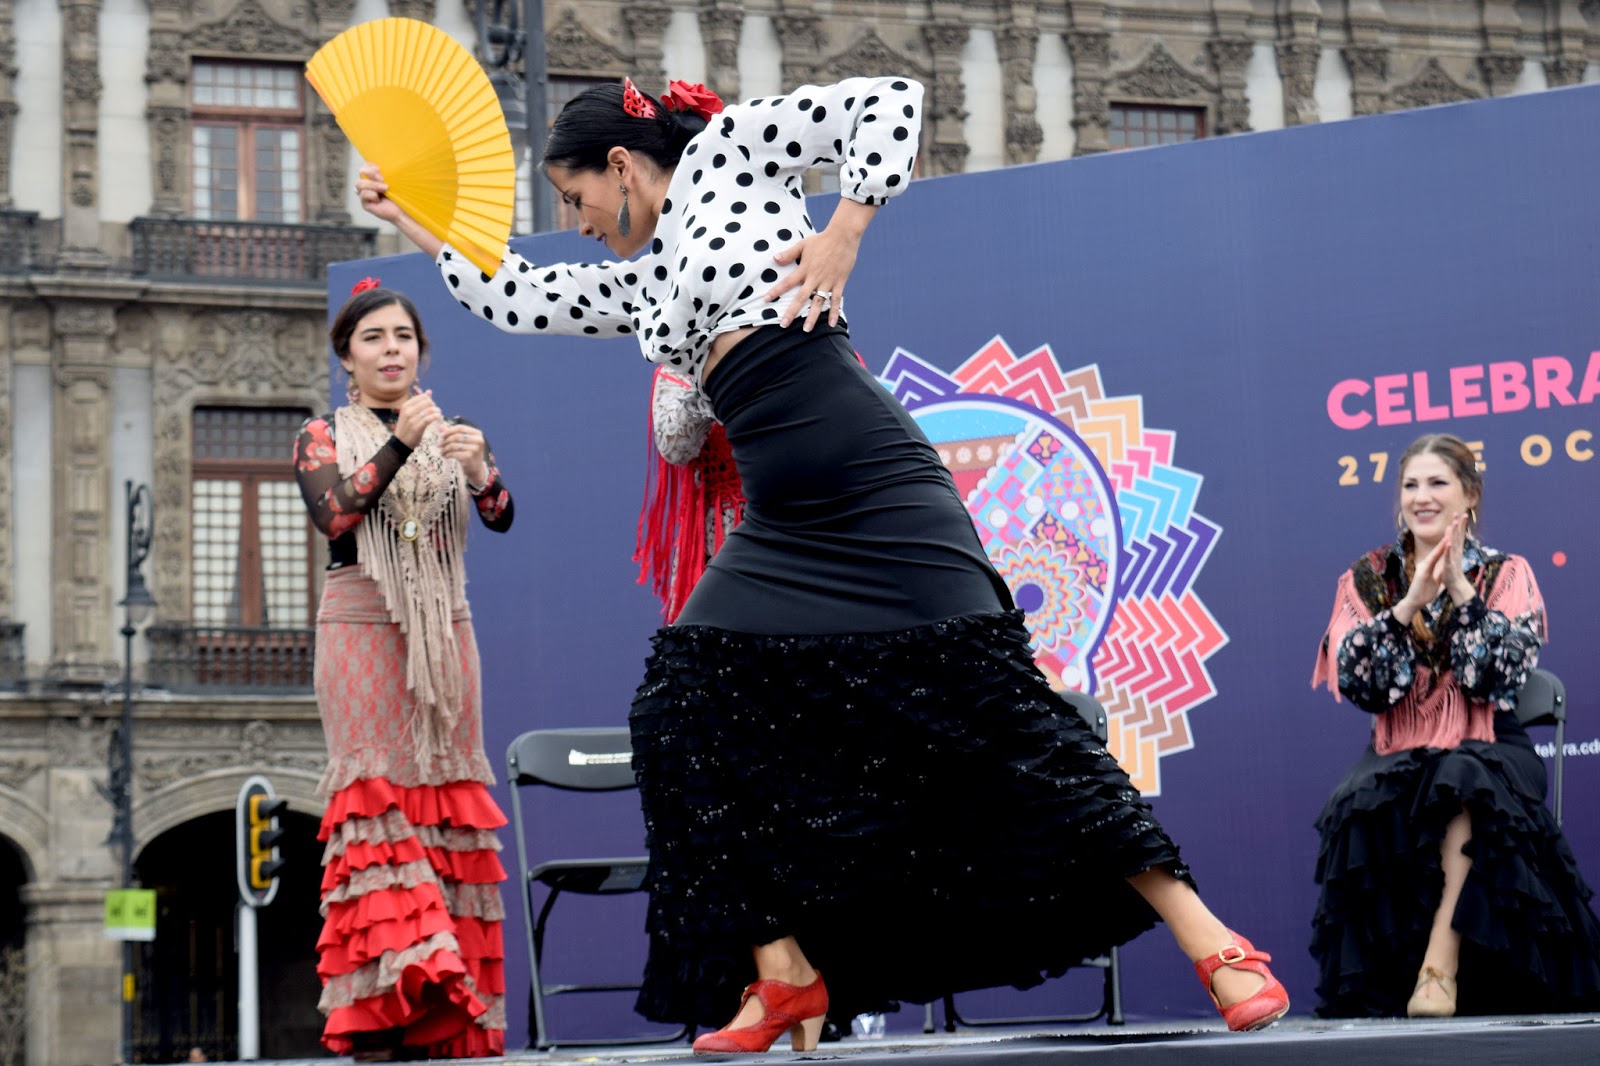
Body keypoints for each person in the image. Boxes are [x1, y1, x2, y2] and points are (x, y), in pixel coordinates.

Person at [356, 74, 1288, 1049]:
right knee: (677, 709)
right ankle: (785, 971)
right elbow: (512, 291)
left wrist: (844, 228)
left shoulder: (730, 154)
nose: (576, 221)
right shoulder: (643, 277)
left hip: (874, 482)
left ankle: (1216, 945)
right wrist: (411, 217)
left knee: (1005, 718)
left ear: (622, 166)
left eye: (575, 197)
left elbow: (890, 98)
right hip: (785, 522)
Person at [295, 279, 514, 1059]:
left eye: (403, 337)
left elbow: (500, 513)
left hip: (447, 629)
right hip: (361, 626)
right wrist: (398, 443)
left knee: (445, 804)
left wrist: (482, 467)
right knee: (375, 803)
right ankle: (391, 1005)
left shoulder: (453, 433)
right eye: (374, 339)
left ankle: (448, 1007)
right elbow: (336, 513)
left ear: (420, 351)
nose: (392, 349)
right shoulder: (323, 434)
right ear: (347, 359)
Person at [1310, 432, 1600, 1018]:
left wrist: (1463, 593)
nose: (1423, 496)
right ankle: (1395, 976)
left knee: (1462, 775)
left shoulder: (1507, 574)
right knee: (1358, 797)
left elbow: (1494, 680)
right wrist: (1407, 605)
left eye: (1437, 483)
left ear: (1468, 496)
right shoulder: (1367, 578)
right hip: (1400, 743)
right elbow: (1367, 687)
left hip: (1490, 744)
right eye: (1411, 485)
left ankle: (1439, 969)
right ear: (1399, 501)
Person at [635, 365, 744, 622]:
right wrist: (714, 383)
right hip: (727, 540)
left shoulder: (809, 342)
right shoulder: (682, 362)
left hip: (802, 527)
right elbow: (675, 447)